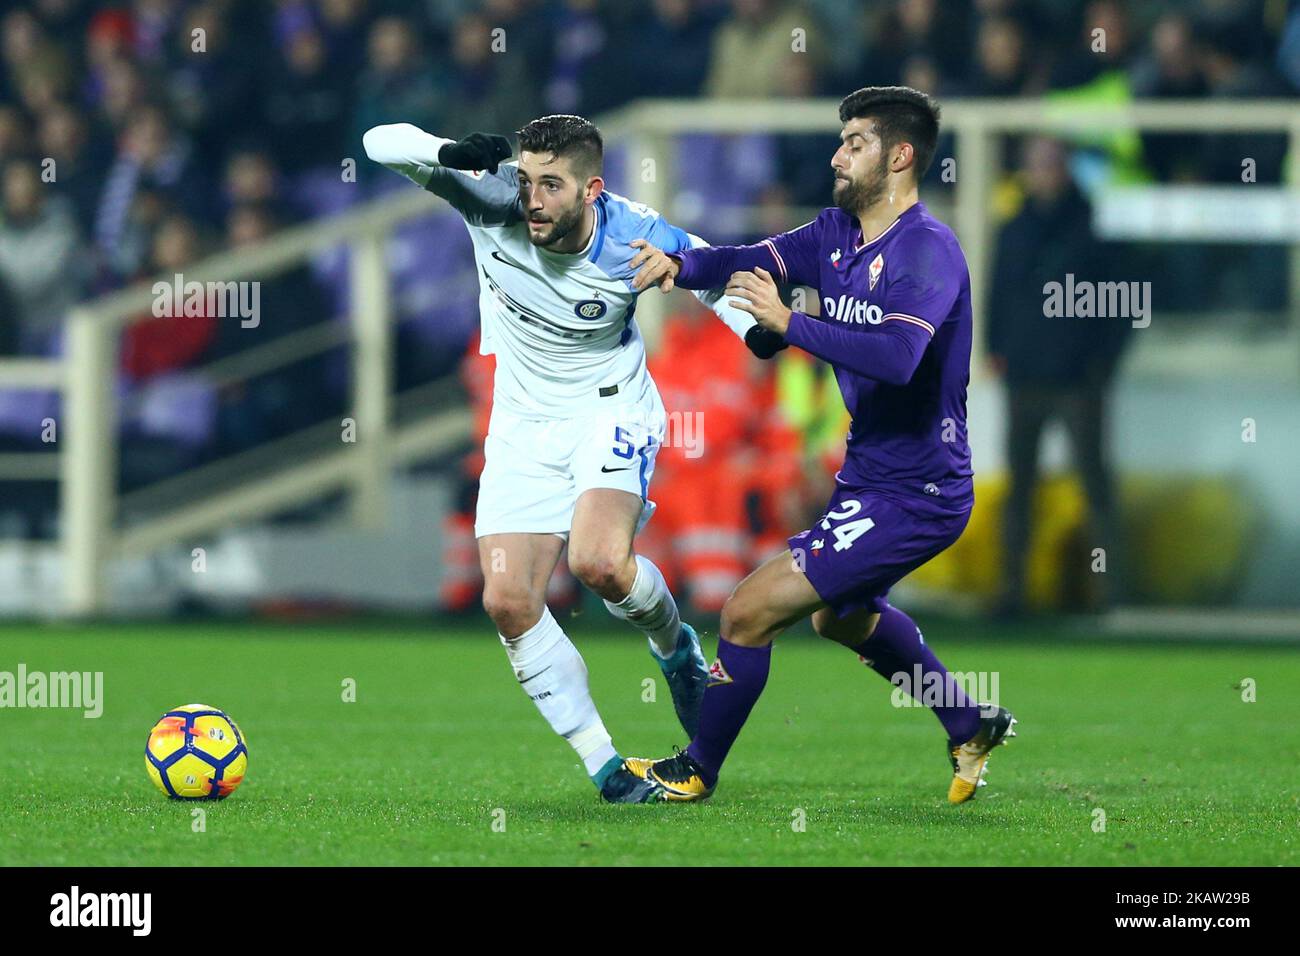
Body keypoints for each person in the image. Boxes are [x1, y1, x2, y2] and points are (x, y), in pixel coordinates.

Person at [363, 113, 782, 803]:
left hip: (609, 409)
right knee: (506, 599)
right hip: (522, 424)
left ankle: (676, 650)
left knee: (598, 563)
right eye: (526, 180)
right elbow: (380, 143)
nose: (532, 198)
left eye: (551, 185)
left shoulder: (634, 233)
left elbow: (709, 274)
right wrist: (449, 151)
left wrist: (753, 330)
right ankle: (607, 769)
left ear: (592, 189)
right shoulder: (488, 203)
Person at [625, 86, 1015, 803]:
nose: (838, 154)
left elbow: (899, 356)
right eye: (841, 140)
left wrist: (789, 325)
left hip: (920, 490)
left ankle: (695, 770)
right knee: (838, 616)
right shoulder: (836, 233)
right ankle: (969, 719)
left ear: (900, 157)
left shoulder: (928, 250)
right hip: (870, 476)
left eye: (856, 142)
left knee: (746, 609)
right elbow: (749, 259)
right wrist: (680, 266)